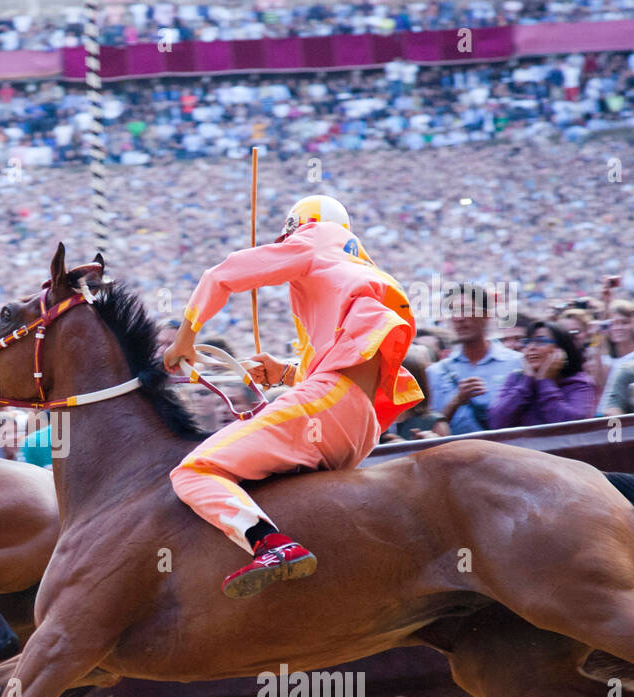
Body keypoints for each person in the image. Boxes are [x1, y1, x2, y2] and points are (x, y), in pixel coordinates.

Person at [163, 195, 423, 599]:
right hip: (359, 424)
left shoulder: (316, 236)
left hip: (330, 404)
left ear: (296, 227)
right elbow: (346, 359)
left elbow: (221, 276)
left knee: (193, 472)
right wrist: (284, 372)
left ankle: (272, 545)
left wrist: (185, 339)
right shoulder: (356, 271)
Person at [425, 284, 524, 434]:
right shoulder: (435, 373)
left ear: (486, 315)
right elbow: (428, 432)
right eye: (453, 311)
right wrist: (456, 401)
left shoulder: (518, 364)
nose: (458, 318)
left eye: (466, 310)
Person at [487, 320, 598, 428]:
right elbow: (497, 422)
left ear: (561, 351)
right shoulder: (516, 379)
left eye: (540, 341)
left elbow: (573, 428)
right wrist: (527, 381)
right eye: (527, 342)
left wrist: (545, 382)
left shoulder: (579, 384)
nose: (531, 347)